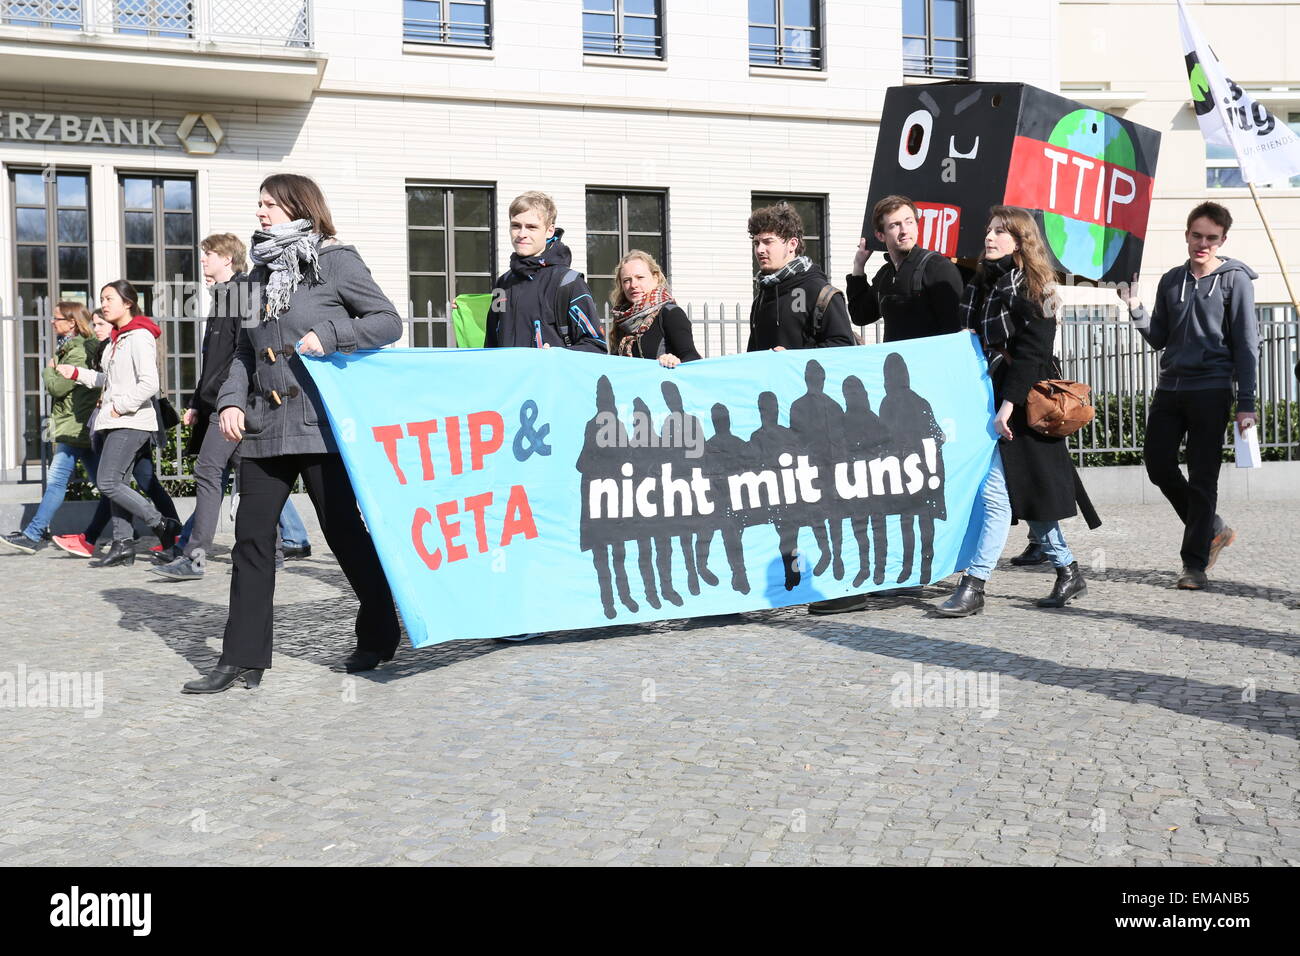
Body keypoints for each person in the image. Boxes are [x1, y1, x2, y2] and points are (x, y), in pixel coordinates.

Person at [182, 173, 404, 693]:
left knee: (343, 532)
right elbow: (241, 352)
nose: (259, 212)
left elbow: (388, 321)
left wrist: (331, 334)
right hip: (262, 423)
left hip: (320, 423)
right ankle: (242, 659)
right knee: (251, 539)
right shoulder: (253, 277)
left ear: (297, 205)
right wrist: (232, 401)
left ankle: (379, 630)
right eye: (257, 203)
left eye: (268, 203)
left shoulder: (335, 261)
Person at [936, 206, 1100, 617]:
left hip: (1022, 402)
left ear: (1020, 240)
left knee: (1006, 494)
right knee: (1021, 493)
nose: (989, 237)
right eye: (989, 230)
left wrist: (1007, 406)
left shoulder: (1037, 287)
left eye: (1000, 232)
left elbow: (1034, 352)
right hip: (989, 396)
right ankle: (1067, 570)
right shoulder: (984, 283)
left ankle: (974, 585)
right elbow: (972, 336)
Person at [153, 233, 312, 581]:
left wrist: (228, 401)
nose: (203, 261)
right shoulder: (222, 298)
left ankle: (194, 555)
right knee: (251, 478)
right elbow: (214, 360)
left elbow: (246, 355)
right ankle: (273, 552)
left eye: (208, 254)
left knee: (209, 470)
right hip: (222, 402)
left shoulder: (241, 294)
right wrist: (197, 401)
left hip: (235, 404)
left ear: (227, 259)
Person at [1119, 201, 1259, 590]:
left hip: (1212, 390)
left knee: (1203, 478)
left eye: (1211, 238)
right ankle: (1212, 528)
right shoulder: (1171, 280)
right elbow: (1160, 337)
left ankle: (1193, 564)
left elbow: (1247, 345)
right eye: (1197, 236)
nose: (1203, 244)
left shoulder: (1235, 281)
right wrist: (1134, 307)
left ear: (1222, 240)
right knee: (1158, 465)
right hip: (1170, 388)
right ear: (1186, 235)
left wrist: (1246, 403)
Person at [54, 281, 182, 568]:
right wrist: (76, 372)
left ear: (128, 303)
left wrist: (119, 407)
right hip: (116, 421)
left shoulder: (139, 336)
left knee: (108, 482)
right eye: (102, 298)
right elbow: (108, 381)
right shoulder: (116, 339)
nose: (105, 303)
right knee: (119, 482)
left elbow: (150, 383)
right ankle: (123, 544)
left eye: (110, 298)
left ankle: (162, 523)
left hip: (132, 421)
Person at [2, 303, 98, 554]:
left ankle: (33, 534)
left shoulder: (78, 350)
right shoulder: (71, 347)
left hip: (75, 425)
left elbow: (58, 387)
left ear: (72, 323)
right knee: (108, 485)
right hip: (76, 425)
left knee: (57, 481)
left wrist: (48, 369)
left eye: (56, 318)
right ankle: (138, 529)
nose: (52, 322)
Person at [485, 191, 606, 354]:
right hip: (509, 379)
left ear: (549, 231)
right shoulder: (503, 283)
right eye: (516, 225)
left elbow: (596, 347)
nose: (521, 234)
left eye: (531, 227)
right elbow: (491, 346)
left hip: (551, 379)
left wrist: (558, 355)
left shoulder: (570, 283)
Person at [846, 194, 965, 342]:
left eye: (909, 222)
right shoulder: (885, 275)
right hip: (896, 364)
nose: (904, 230)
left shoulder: (938, 268)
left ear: (917, 226)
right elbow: (860, 316)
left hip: (931, 363)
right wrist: (858, 266)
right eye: (895, 225)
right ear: (880, 235)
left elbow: (956, 332)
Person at [746, 203, 856, 352]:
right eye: (756, 243)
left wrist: (793, 359)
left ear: (792, 244)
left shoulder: (821, 292)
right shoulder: (761, 298)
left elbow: (844, 347)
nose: (760, 250)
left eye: (768, 242)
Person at [607, 250, 701, 366]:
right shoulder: (621, 319)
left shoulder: (670, 313)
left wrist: (674, 360)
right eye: (627, 280)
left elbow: (692, 358)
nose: (633, 285)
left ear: (655, 277)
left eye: (640, 277)